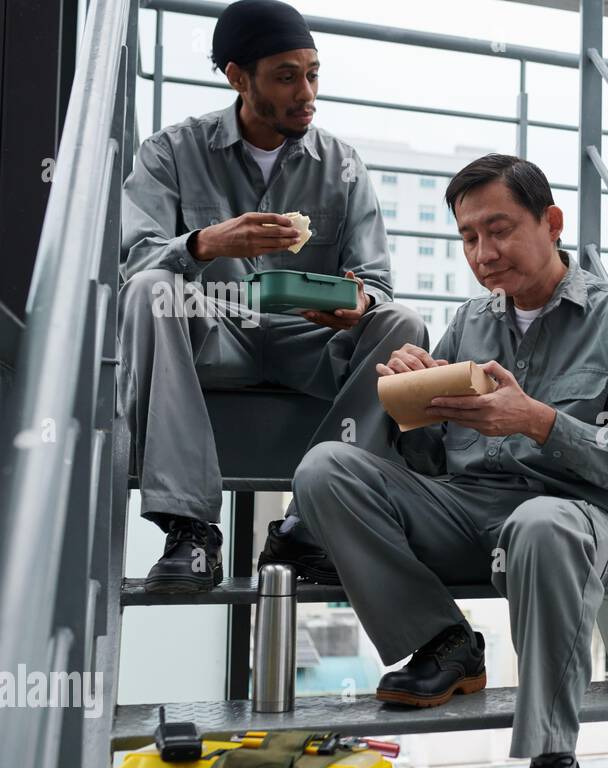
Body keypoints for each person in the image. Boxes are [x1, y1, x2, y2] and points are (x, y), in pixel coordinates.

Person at [292, 154, 608, 768]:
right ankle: (445, 641)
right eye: (468, 238)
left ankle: (554, 766)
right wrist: (412, 403)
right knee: (325, 470)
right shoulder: (466, 323)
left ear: (550, 223)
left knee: (542, 523)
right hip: (465, 510)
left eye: (499, 229)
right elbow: (431, 463)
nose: (483, 253)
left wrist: (541, 422)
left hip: (574, 515)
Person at [118, 0, 426, 592]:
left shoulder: (343, 167)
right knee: (151, 291)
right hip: (211, 333)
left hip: (308, 339)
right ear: (237, 77)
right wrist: (207, 242)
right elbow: (135, 259)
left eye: (312, 73)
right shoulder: (171, 153)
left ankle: (307, 527)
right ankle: (189, 528)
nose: (306, 92)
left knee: (402, 323)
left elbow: (377, 282)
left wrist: (356, 304)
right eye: (286, 76)